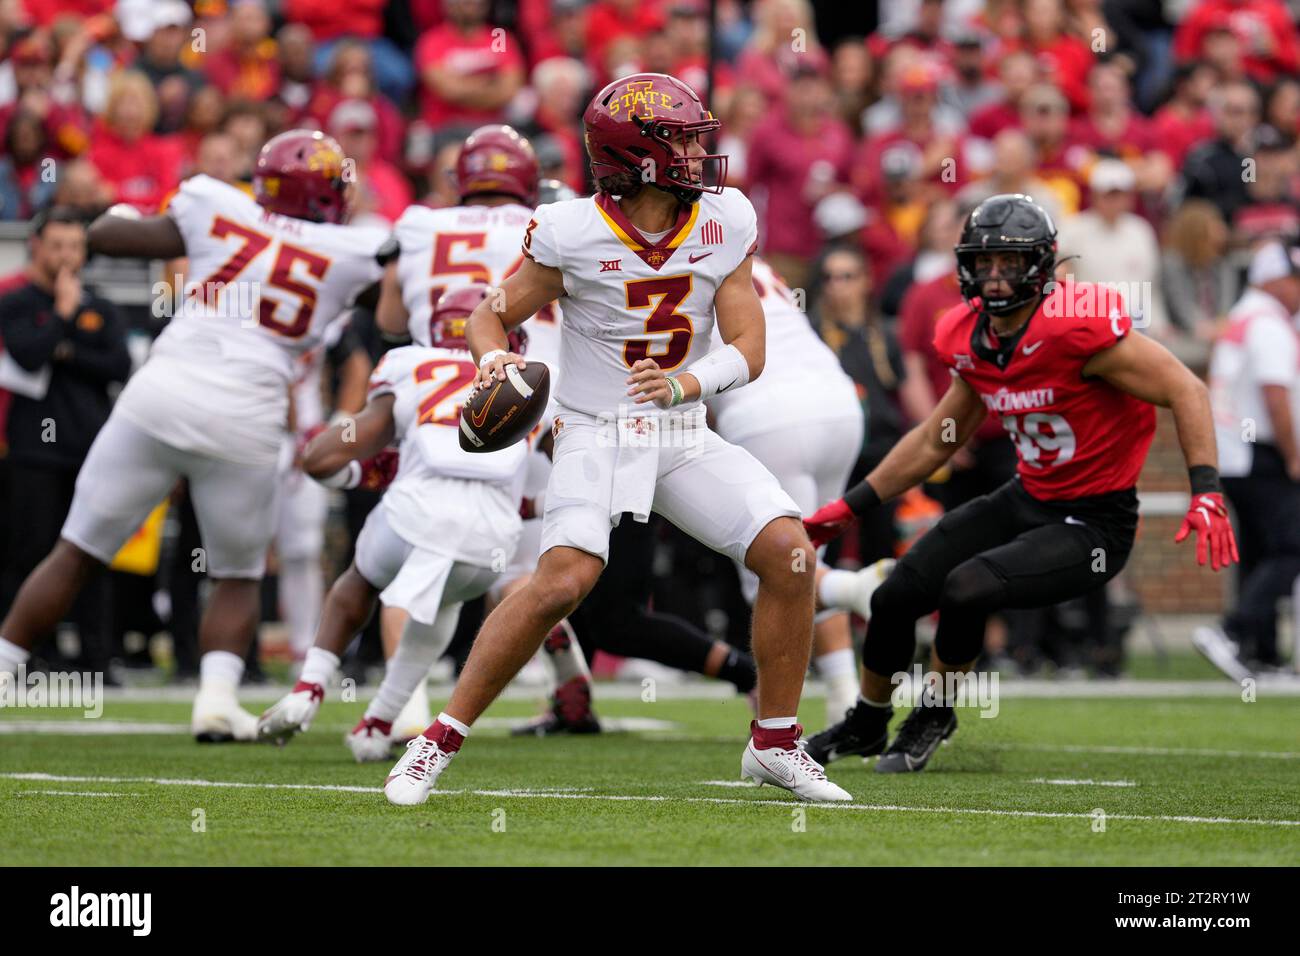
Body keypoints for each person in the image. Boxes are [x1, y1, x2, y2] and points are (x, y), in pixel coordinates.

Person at [383, 72, 850, 805]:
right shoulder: (570, 229)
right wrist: (495, 358)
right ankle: (434, 743)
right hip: (596, 430)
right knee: (562, 582)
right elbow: (489, 314)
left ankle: (776, 742)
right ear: (636, 156)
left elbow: (749, 345)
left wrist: (685, 385)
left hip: (680, 427)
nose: (699, 154)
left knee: (789, 554)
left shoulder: (724, 218)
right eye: (681, 141)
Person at [800, 194, 1238, 774]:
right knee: (894, 595)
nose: (996, 277)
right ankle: (867, 720)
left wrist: (1204, 489)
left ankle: (935, 711)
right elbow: (939, 436)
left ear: (1042, 265)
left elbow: (1188, 389)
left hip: (1095, 520)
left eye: (1010, 264)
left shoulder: (1076, 328)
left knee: (967, 588)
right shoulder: (970, 335)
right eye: (985, 263)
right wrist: (850, 507)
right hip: (1028, 496)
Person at [0, 130, 389, 741]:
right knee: (234, 575)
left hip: (162, 393)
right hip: (247, 415)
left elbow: (108, 237)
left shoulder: (216, 202)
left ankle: (2, 672)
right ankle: (214, 701)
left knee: (75, 552)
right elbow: (394, 309)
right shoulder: (357, 249)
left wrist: (124, 214)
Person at [257, 285, 528, 760]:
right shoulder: (537, 378)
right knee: (442, 603)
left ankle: (310, 689)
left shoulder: (410, 365)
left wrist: (356, 465)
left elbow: (328, 457)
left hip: (414, 515)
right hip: (491, 541)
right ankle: (377, 721)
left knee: (359, 581)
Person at [709, 256, 890, 726]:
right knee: (807, 555)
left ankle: (859, 588)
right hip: (837, 403)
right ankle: (845, 697)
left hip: (769, 413)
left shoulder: (660, 256)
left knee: (778, 568)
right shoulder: (742, 253)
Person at [0, 207, 131, 673]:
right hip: (33, 450)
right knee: (30, 553)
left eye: (74, 246)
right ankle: (31, 655)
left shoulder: (102, 304)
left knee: (90, 554)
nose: (66, 256)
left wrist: (66, 348)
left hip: (90, 449)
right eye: (56, 245)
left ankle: (96, 658)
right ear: (36, 246)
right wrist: (62, 314)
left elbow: (117, 366)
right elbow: (29, 355)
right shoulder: (16, 301)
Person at [1195, 242, 1300, 679]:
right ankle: (1232, 632)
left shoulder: (1244, 316)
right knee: (1293, 545)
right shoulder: (1267, 323)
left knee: (1259, 549)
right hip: (1258, 450)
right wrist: (1295, 456)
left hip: (1234, 450)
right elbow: (1275, 394)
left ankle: (1259, 651)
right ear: (1274, 280)